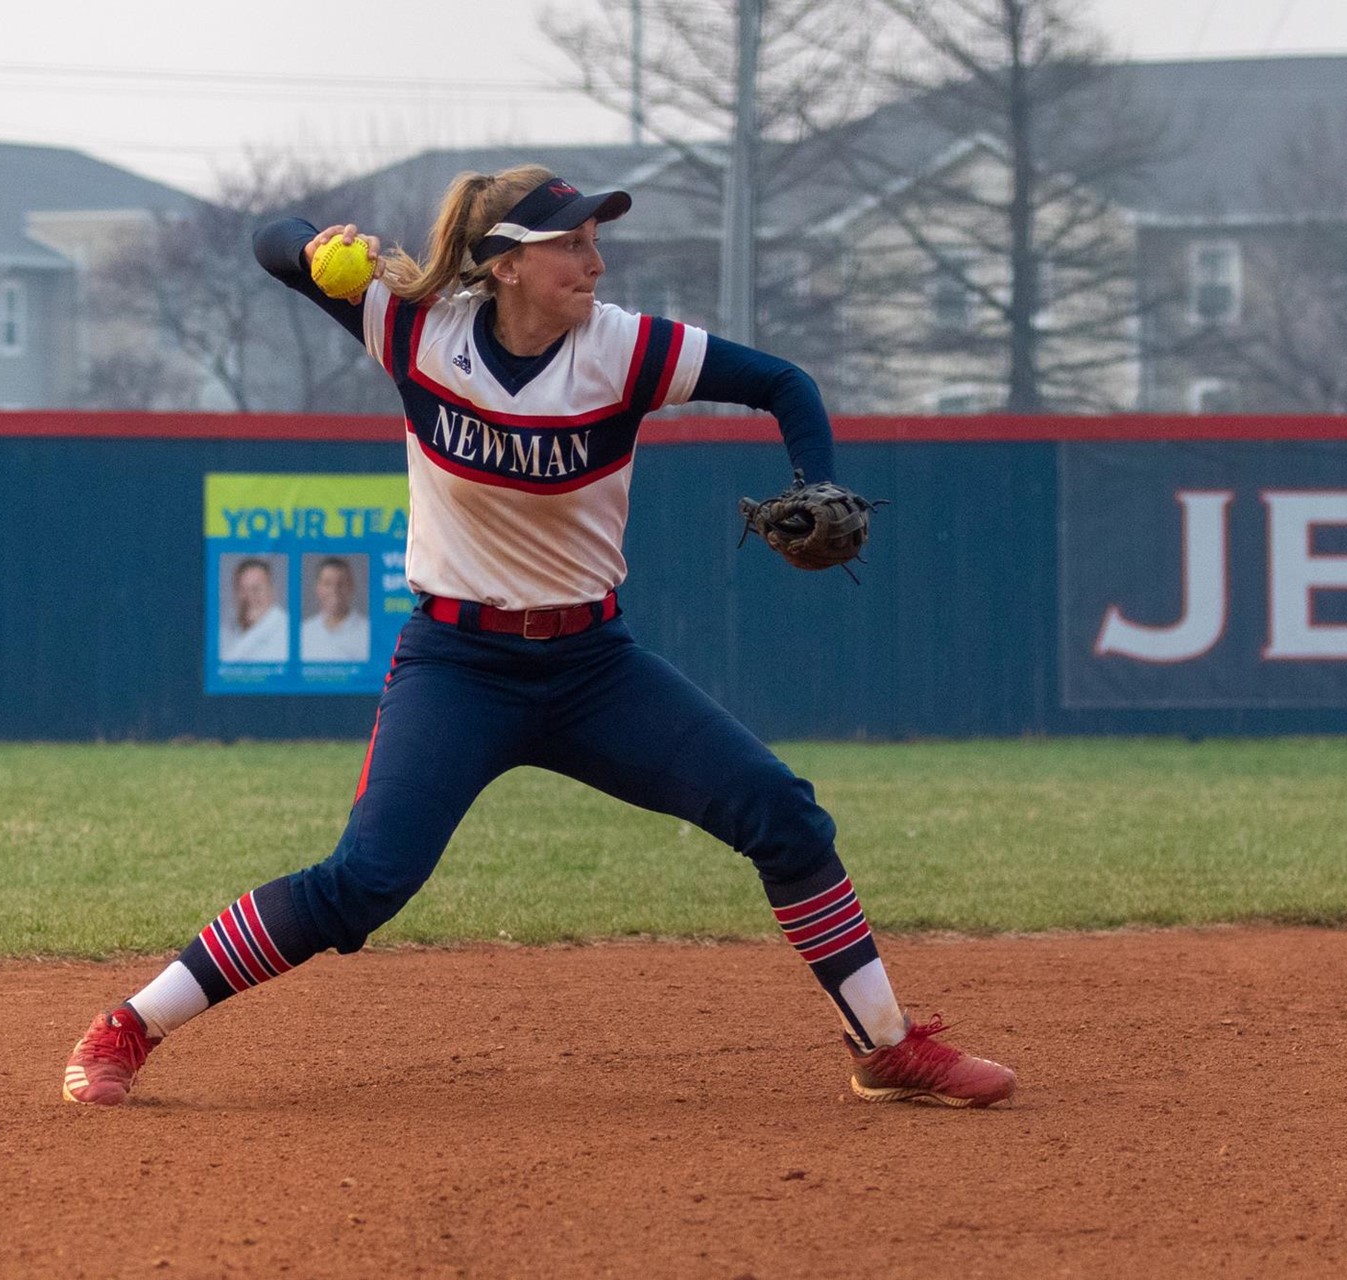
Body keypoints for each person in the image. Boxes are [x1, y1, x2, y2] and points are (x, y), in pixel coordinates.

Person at [63, 166, 1015, 1109]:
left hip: (592, 666)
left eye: (594, 239)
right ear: (505, 265)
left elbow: (782, 383)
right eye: (571, 242)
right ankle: (129, 1027)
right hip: (457, 665)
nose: (594, 260)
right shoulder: (412, 325)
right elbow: (272, 242)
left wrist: (814, 477)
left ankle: (885, 1045)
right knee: (365, 882)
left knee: (783, 814)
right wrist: (314, 247)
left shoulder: (627, 350)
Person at [299, 556, 370, 663]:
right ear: (318, 588)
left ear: (351, 586)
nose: (334, 590)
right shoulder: (304, 632)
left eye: (341, 583)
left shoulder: (367, 631)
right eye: (327, 584)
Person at [219, 557, 289, 663]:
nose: (249, 596)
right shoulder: (225, 630)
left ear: (272, 591)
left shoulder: (287, 632)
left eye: (256, 589)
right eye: (242, 589)